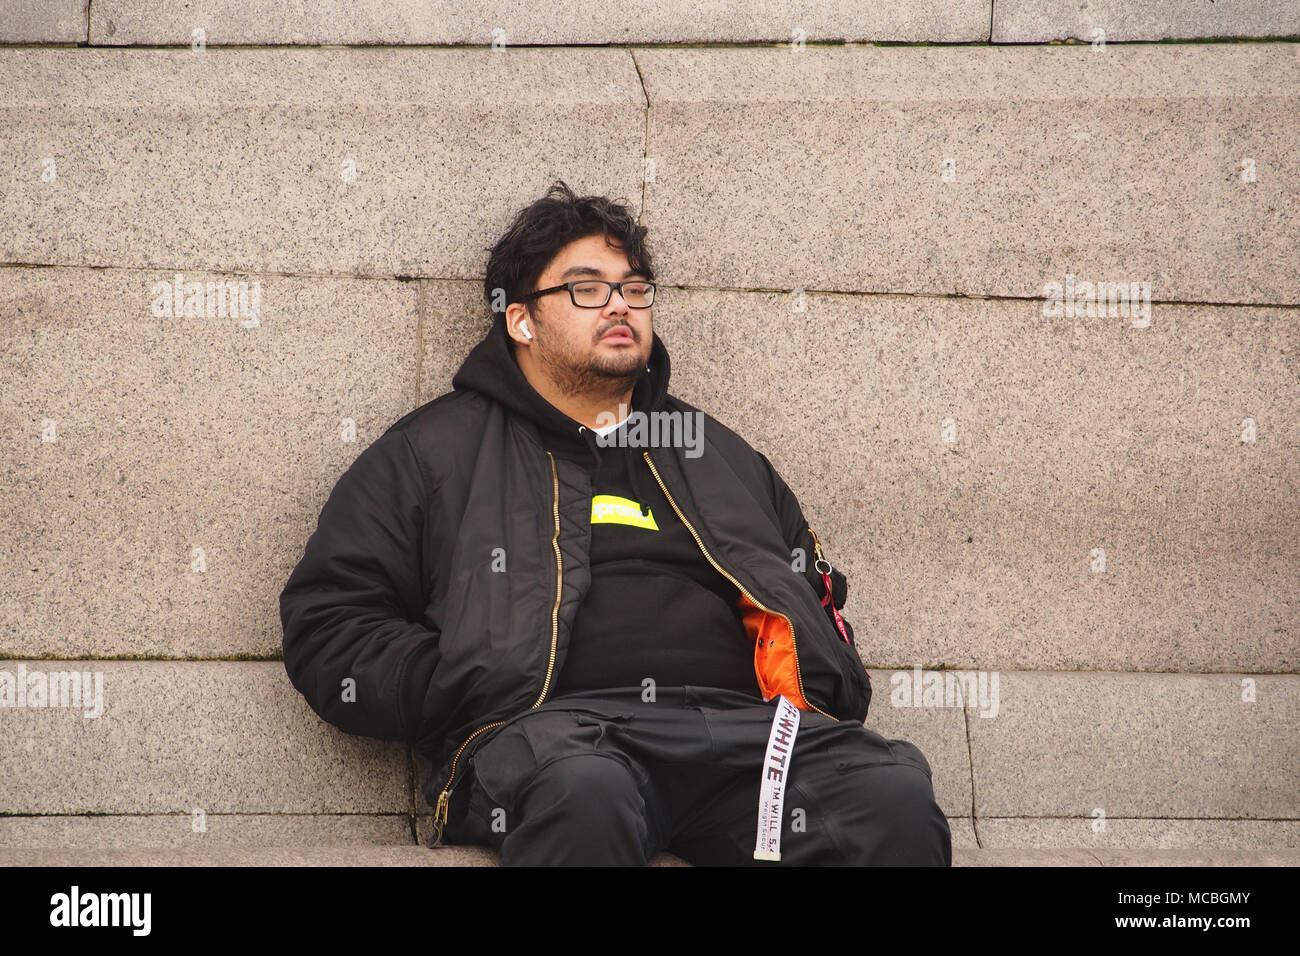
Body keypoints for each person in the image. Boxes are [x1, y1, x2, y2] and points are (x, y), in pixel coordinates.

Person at [279, 181, 952, 866]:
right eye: (586, 289)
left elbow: (811, 591)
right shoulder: (432, 452)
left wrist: (825, 671)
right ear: (520, 320)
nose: (620, 305)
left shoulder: (715, 452)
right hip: (562, 742)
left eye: (634, 288)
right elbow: (329, 621)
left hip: (751, 740)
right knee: (588, 797)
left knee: (890, 796)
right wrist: (461, 680)